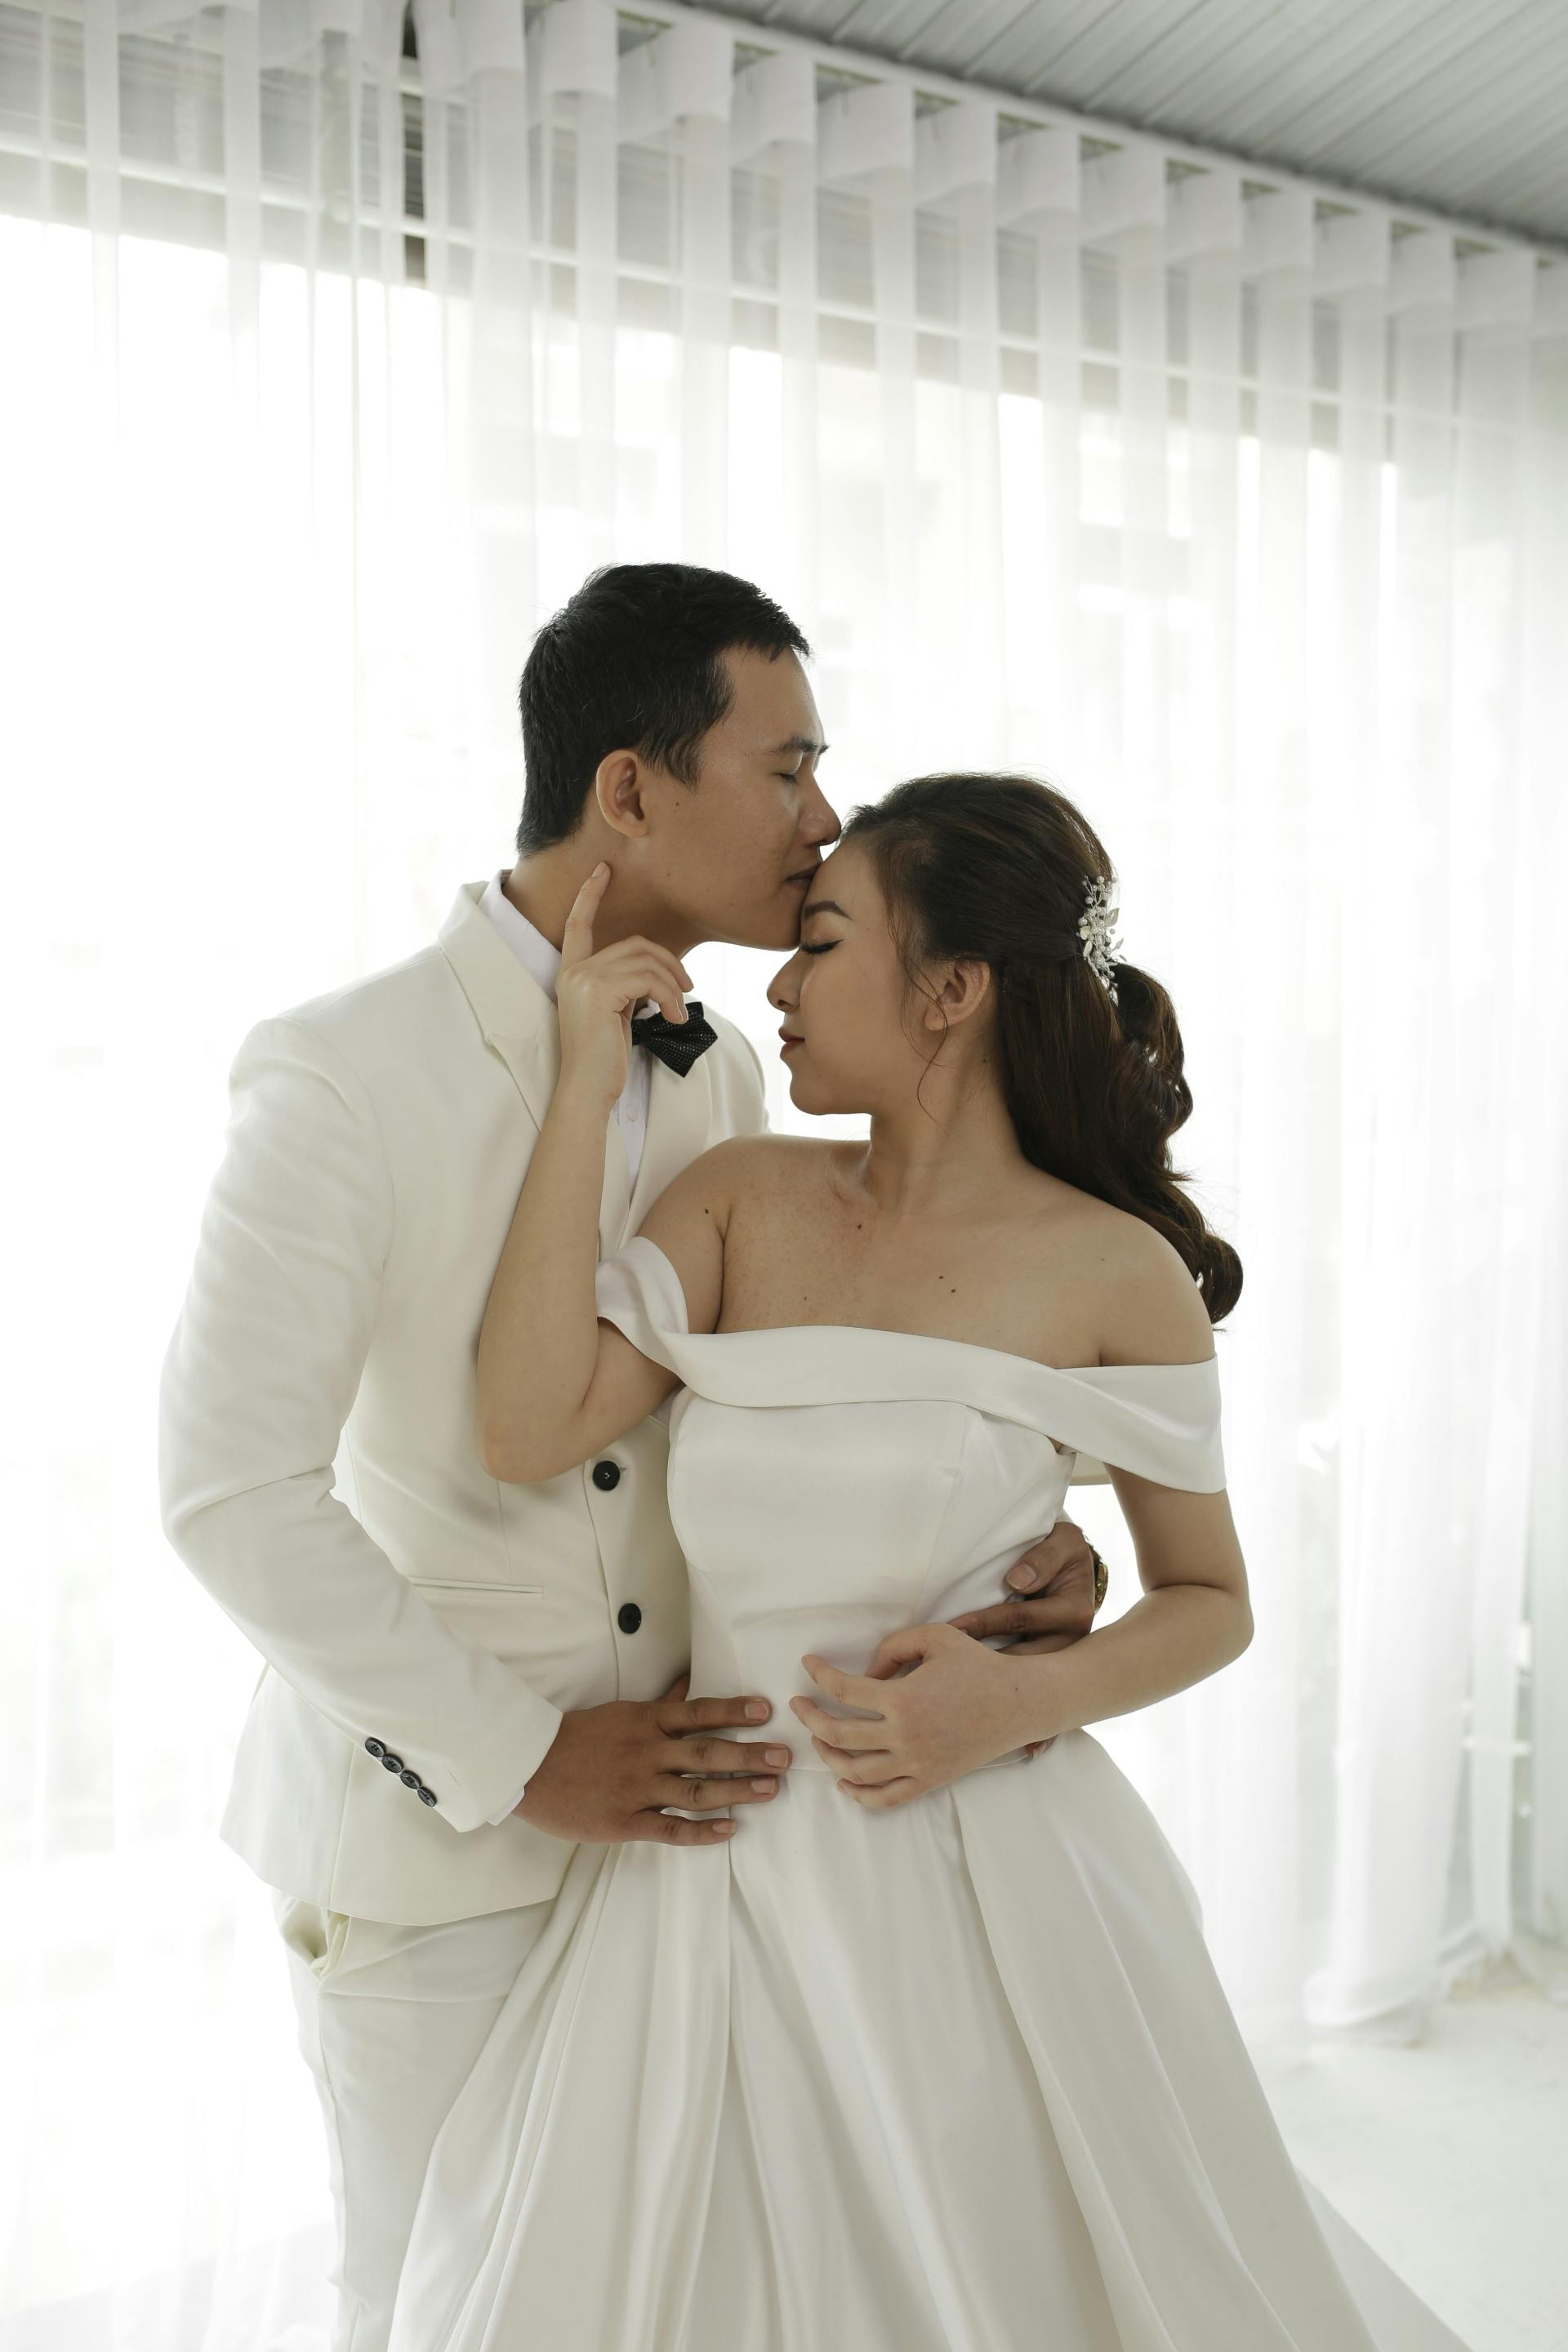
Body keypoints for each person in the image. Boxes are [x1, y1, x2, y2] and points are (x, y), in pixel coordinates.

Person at [385, 773, 1472, 2351]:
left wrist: (1008, 1704)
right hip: (716, 1874)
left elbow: (1212, 1601)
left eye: (823, 942)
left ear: (951, 987)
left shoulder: (1116, 1273)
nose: (781, 981)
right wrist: (578, 1085)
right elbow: (526, 1419)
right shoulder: (740, 1199)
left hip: (982, 1879)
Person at [156, 564, 1102, 2352]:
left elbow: (794, 1410)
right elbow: (228, 1495)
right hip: (441, 1867)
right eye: (792, 766)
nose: (826, 826)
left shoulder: (737, 1073)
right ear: (629, 790)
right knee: (432, 2312)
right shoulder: (338, 1069)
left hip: (713, 1841)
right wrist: (520, 1760)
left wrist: (1006, 1564)